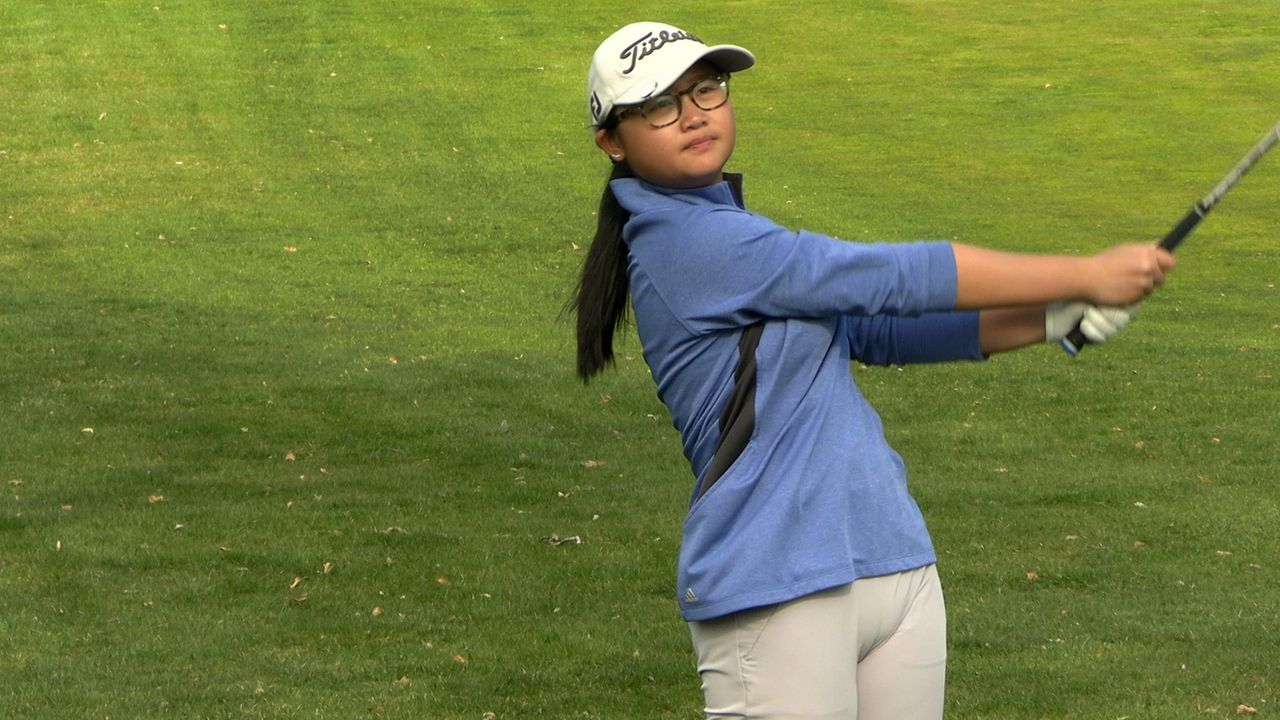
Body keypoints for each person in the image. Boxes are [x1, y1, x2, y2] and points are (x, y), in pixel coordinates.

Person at [570, 21, 1174, 720]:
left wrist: (1050, 316)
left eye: (706, 89)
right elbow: (886, 278)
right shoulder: (686, 243)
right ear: (613, 141)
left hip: (891, 559)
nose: (694, 115)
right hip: (776, 586)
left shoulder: (733, 232)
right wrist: (1086, 272)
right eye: (658, 105)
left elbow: (873, 330)